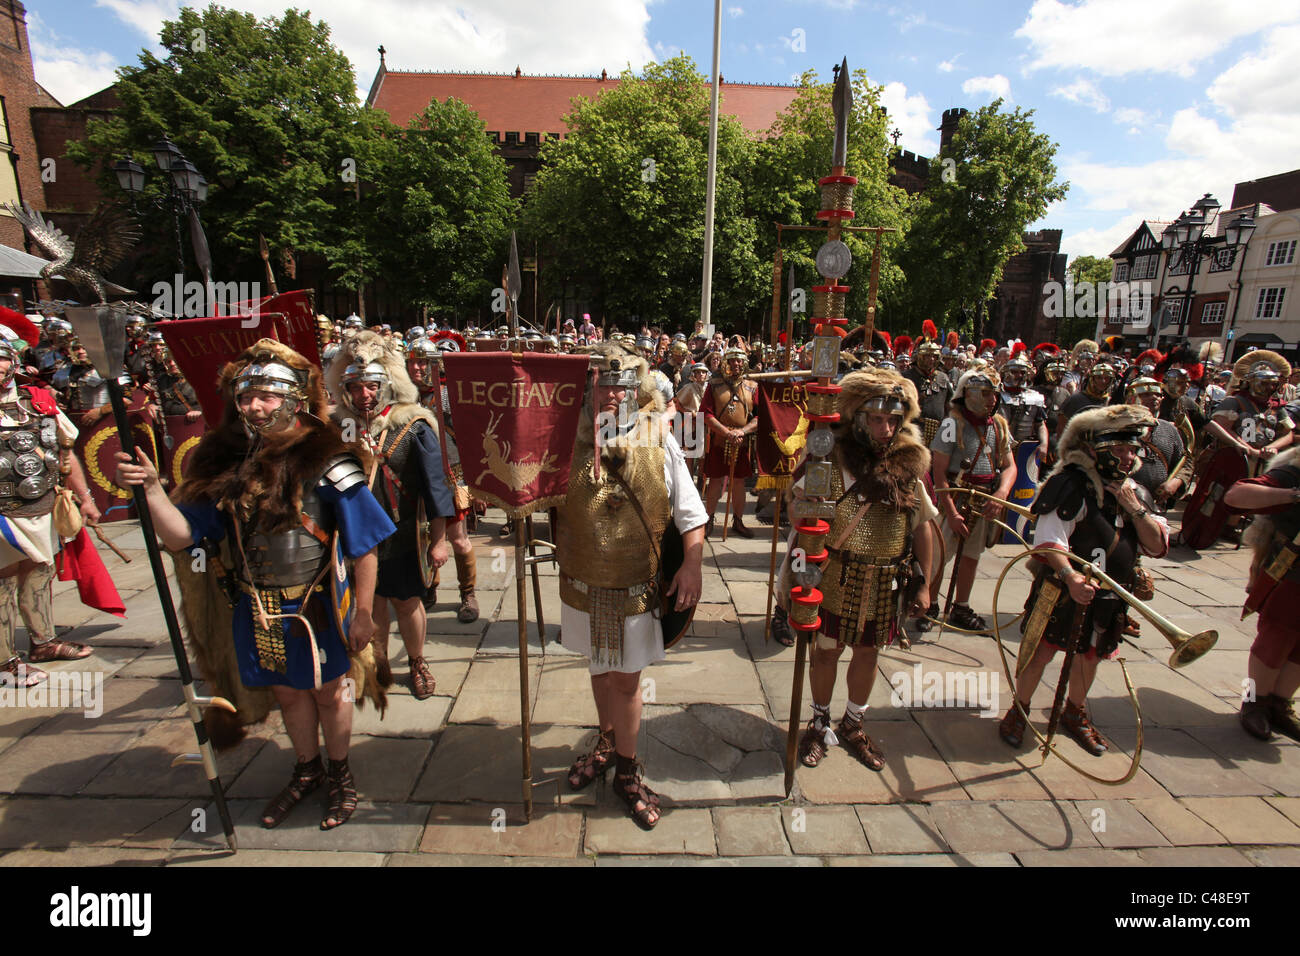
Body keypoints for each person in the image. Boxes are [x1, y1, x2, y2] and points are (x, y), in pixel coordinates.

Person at [113, 338, 393, 829]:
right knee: (288, 692)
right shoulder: (225, 461)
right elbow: (182, 537)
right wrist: (154, 491)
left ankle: (340, 773)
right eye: (246, 397)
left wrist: (364, 612)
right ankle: (306, 769)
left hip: (318, 607)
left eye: (266, 395)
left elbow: (365, 543)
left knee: (332, 692)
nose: (253, 406)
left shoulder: (330, 460)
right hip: (257, 606)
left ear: (293, 399)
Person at [559, 343, 705, 829]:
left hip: (634, 586)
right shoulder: (566, 441)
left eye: (619, 385)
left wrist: (692, 566)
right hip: (582, 584)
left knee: (625, 678)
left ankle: (627, 769)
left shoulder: (658, 438)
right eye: (600, 383)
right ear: (586, 387)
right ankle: (606, 740)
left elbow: (690, 512)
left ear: (632, 390)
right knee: (599, 667)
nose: (608, 393)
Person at [1000, 404, 1168, 756]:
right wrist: (1070, 576)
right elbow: (1048, 539)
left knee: (1090, 656)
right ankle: (1020, 709)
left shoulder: (1135, 490)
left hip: (1108, 596)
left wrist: (1134, 508)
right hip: (1062, 590)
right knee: (1040, 652)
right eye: (1118, 450)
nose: (1126, 457)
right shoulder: (1069, 484)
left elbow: (1156, 544)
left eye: (1131, 450)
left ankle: (1074, 712)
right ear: (1093, 450)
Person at [793, 369, 938, 770]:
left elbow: (923, 526)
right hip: (836, 573)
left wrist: (925, 584)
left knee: (869, 651)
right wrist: (806, 515)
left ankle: (854, 722)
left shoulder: (907, 467)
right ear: (859, 418)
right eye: (877, 418)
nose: (886, 428)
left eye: (893, 419)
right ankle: (820, 721)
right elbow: (797, 509)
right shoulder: (831, 459)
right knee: (825, 652)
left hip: (885, 579)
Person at [327, 331, 454, 700]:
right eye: (355, 387)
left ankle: (416, 661)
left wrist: (439, 540)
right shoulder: (338, 427)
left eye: (370, 386)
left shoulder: (413, 425)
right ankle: (380, 661)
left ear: (384, 386)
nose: (363, 395)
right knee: (372, 602)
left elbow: (436, 487)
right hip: (354, 537)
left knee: (406, 601)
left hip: (402, 534)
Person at [0, 330, 101, 686]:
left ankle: (43, 642)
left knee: (40, 572)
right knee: (4, 581)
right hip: (2, 514)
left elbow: (66, 451)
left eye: (0, 358)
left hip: (40, 504)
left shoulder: (38, 401)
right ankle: (4, 663)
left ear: (13, 361)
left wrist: (85, 498)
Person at [930, 367, 1015, 631]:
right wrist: (952, 513)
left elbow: (1010, 466)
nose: (992, 400)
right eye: (986, 394)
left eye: (995, 394)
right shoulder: (951, 424)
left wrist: (1000, 494)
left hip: (984, 499)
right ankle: (930, 603)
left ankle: (961, 606)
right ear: (970, 393)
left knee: (971, 556)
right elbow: (939, 473)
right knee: (938, 555)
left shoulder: (999, 425)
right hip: (953, 498)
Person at [1225, 446, 1300, 741]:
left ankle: (1279, 705)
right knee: (1273, 644)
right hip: (1291, 576)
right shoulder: (1293, 471)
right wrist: (1295, 495)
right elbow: (1235, 496)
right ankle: (1254, 703)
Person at [407, 334, 479, 621]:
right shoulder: (404, 395)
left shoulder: (450, 393)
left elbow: (471, 435)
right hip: (414, 474)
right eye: (412, 362)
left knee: (458, 538)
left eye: (422, 362)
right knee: (421, 536)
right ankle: (429, 586)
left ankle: (468, 594)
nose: (416, 368)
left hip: (450, 471)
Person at [701, 346, 758, 538]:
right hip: (719, 441)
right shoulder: (714, 384)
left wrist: (742, 431)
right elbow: (706, 414)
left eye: (740, 360)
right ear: (726, 362)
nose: (736, 364)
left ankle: (738, 521)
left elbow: (758, 418)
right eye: (732, 360)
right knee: (715, 481)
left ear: (745, 363)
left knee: (739, 483)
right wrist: (726, 432)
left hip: (741, 444)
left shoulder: (752, 386)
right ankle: (708, 519)